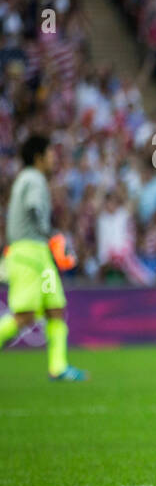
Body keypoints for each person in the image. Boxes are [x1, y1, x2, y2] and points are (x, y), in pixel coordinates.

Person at [0, 134, 85, 381]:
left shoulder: (26, 179)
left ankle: (58, 367)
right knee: (25, 316)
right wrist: (51, 233)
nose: (53, 158)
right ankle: (58, 367)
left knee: (55, 309)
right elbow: (33, 208)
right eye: (49, 153)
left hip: (37, 254)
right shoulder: (34, 179)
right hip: (28, 252)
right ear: (38, 157)